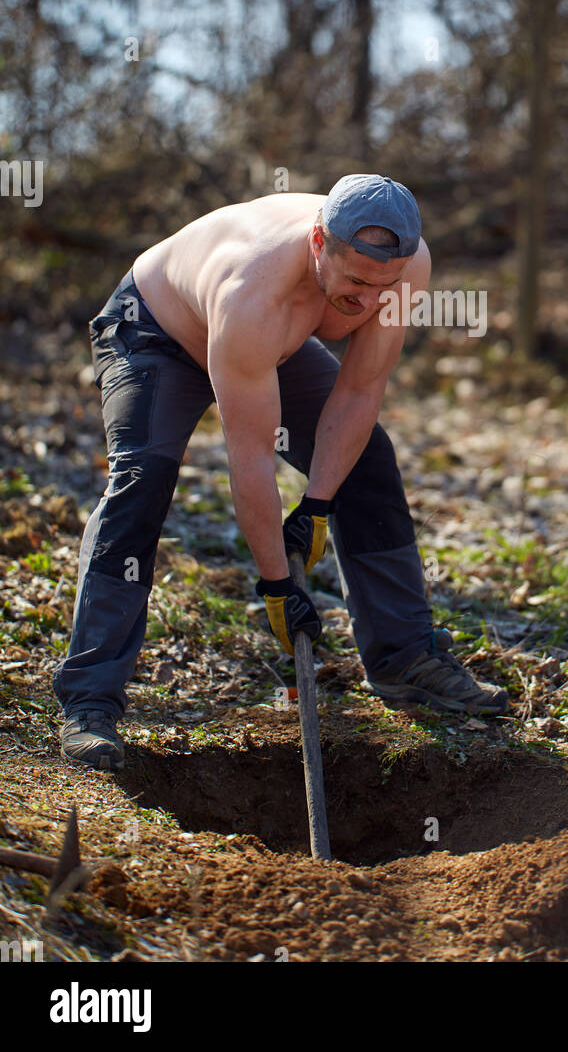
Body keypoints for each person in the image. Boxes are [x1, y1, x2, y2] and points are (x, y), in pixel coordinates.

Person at [54, 174, 508, 770]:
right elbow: (250, 456)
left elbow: (360, 391)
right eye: (354, 282)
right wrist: (277, 583)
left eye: (384, 287)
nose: (369, 301)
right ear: (319, 242)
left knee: (367, 459)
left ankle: (403, 658)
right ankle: (90, 701)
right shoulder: (253, 291)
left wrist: (317, 504)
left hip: (271, 348)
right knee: (145, 480)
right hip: (154, 333)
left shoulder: (406, 266)